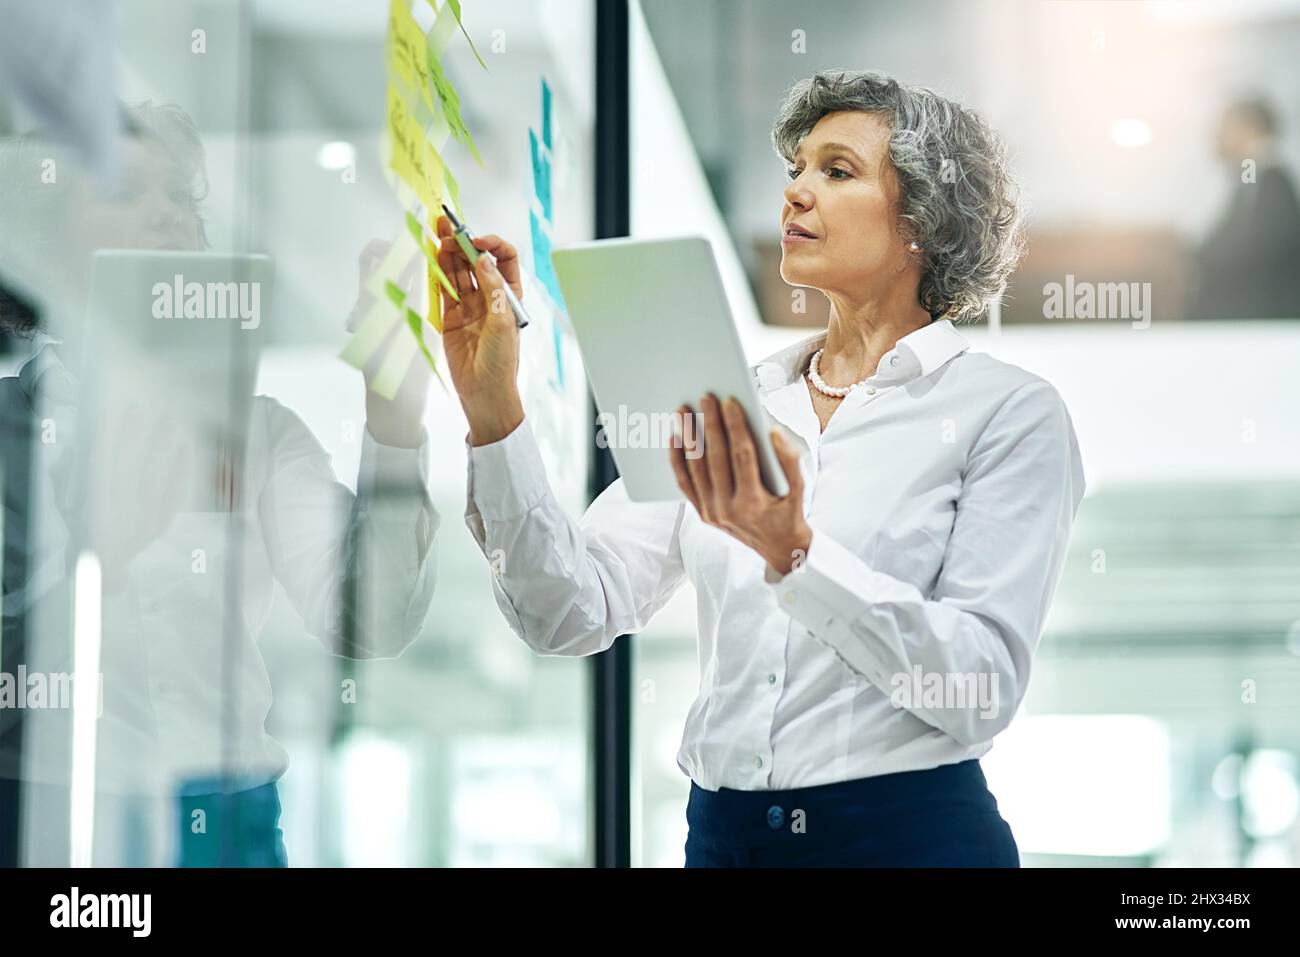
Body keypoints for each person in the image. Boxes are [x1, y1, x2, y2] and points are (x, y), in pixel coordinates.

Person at [438, 70, 1085, 867]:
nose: (795, 194)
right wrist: (493, 407)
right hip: (724, 839)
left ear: (924, 218)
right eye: (795, 170)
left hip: (910, 838)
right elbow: (569, 609)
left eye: (836, 171)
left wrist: (796, 554)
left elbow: (978, 689)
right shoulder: (730, 398)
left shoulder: (1007, 411)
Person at [0, 102, 439, 866]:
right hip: (59, 812)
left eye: (177, 196)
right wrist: (93, 562)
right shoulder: (13, 426)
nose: (168, 214)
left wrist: (395, 424)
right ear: (47, 243)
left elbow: (370, 621)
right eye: (126, 194)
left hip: (233, 820)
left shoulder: (263, 432)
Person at [1189, 96, 1300, 320]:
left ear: (1249, 126)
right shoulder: (1251, 173)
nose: (1220, 136)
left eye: (1227, 127)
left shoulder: (1268, 176)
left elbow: (1255, 243)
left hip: (1264, 317)